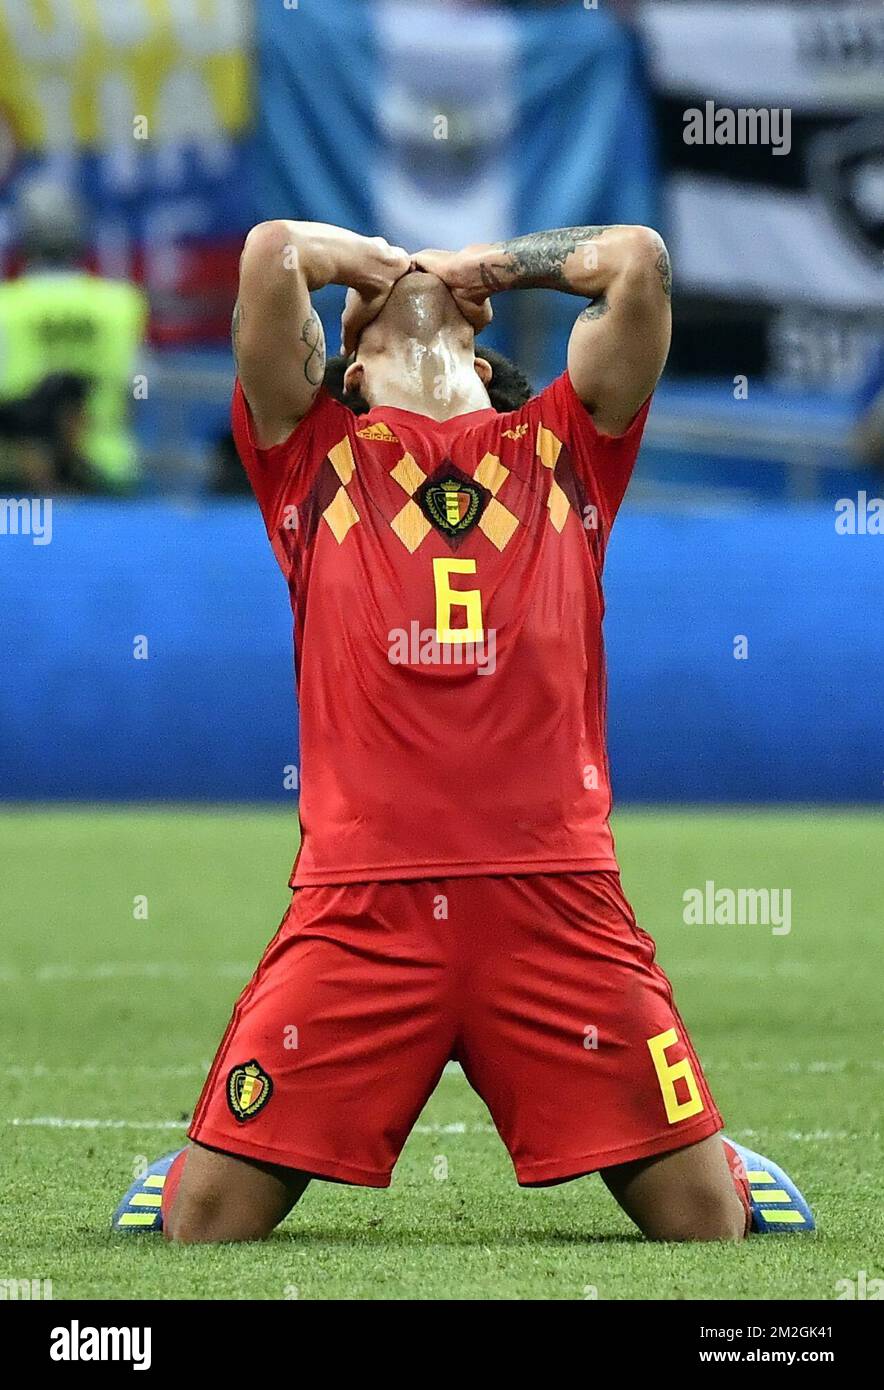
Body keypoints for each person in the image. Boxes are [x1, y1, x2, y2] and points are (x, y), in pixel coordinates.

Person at [114, 220, 813, 1242]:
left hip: (555, 900)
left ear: (487, 359)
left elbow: (638, 261)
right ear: (343, 368)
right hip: (362, 911)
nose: (401, 286)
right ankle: (207, 1153)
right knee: (200, 1227)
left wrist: (469, 268)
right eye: (363, 320)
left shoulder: (564, 451)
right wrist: (374, 266)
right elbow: (272, 256)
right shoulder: (315, 461)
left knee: (705, 1226)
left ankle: (705, 1152)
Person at [0, 179, 147, 493]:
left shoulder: (6, 306)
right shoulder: (120, 304)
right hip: (109, 470)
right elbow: (143, 385)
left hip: (21, 473)